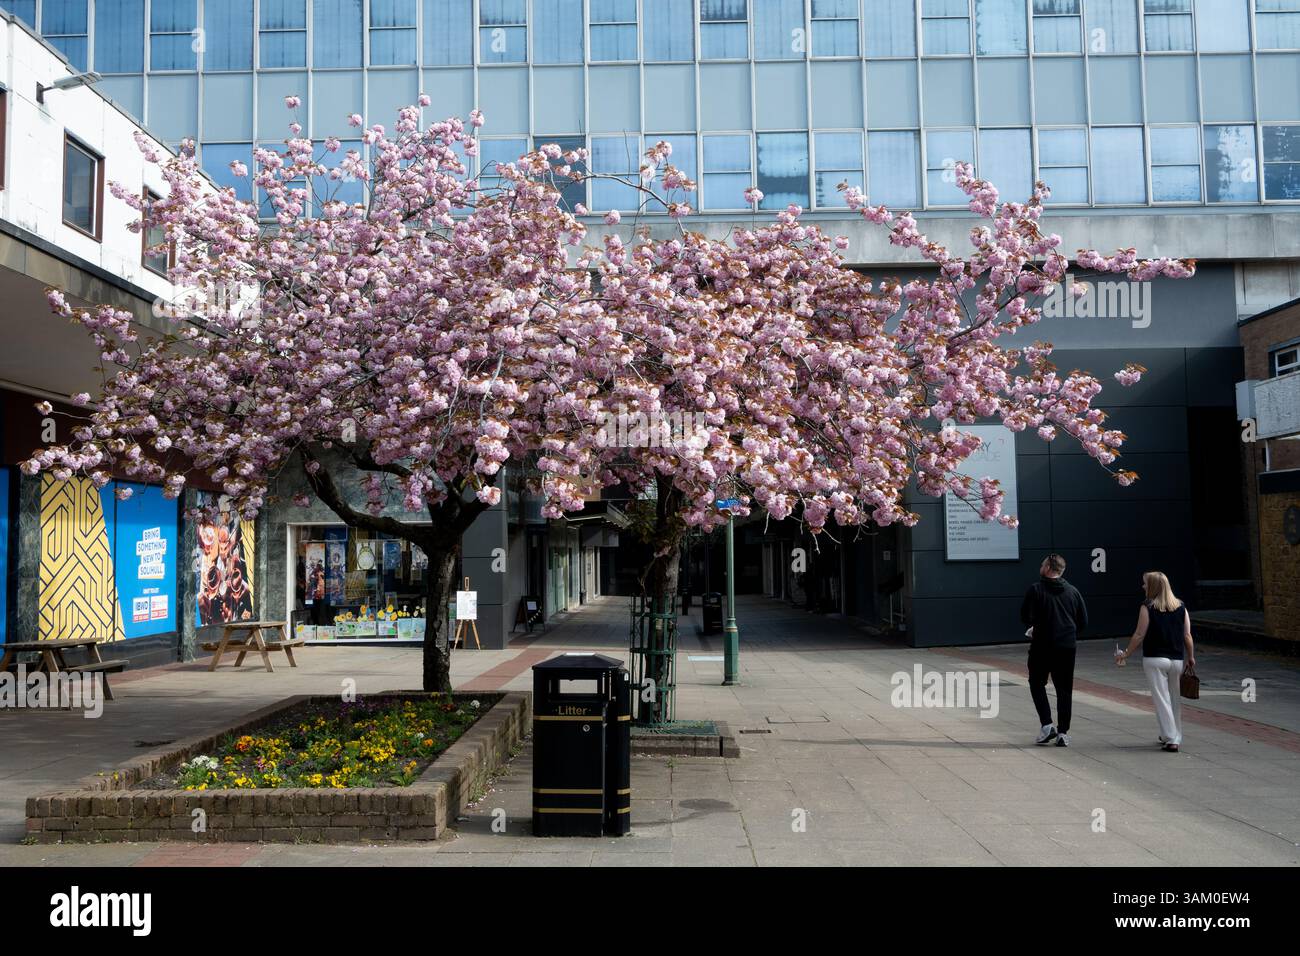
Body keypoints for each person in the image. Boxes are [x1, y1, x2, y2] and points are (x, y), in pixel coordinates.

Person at [1116, 571, 1195, 753]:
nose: (1143, 586)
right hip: (1176, 659)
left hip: (1154, 658)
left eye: (1145, 583)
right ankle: (1171, 734)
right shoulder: (1181, 606)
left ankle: (1171, 737)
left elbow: (1139, 634)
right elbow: (1187, 635)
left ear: (1152, 586)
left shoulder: (1147, 606)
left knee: (1161, 699)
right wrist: (1190, 657)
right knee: (1174, 699)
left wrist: (1126, 654)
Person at [1021, 554, 1089, 747]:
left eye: (1043, 564)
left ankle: (1047, 724)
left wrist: (1036, 627)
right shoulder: (1073, 591)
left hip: (1042, 646)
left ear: (1049, 568)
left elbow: (1025, 615)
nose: (1040, 566)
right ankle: (1063, 733)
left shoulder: (1036, 590)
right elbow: (1083, 621)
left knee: (1036, 683)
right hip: (1066, 647)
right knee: (1064, 689)